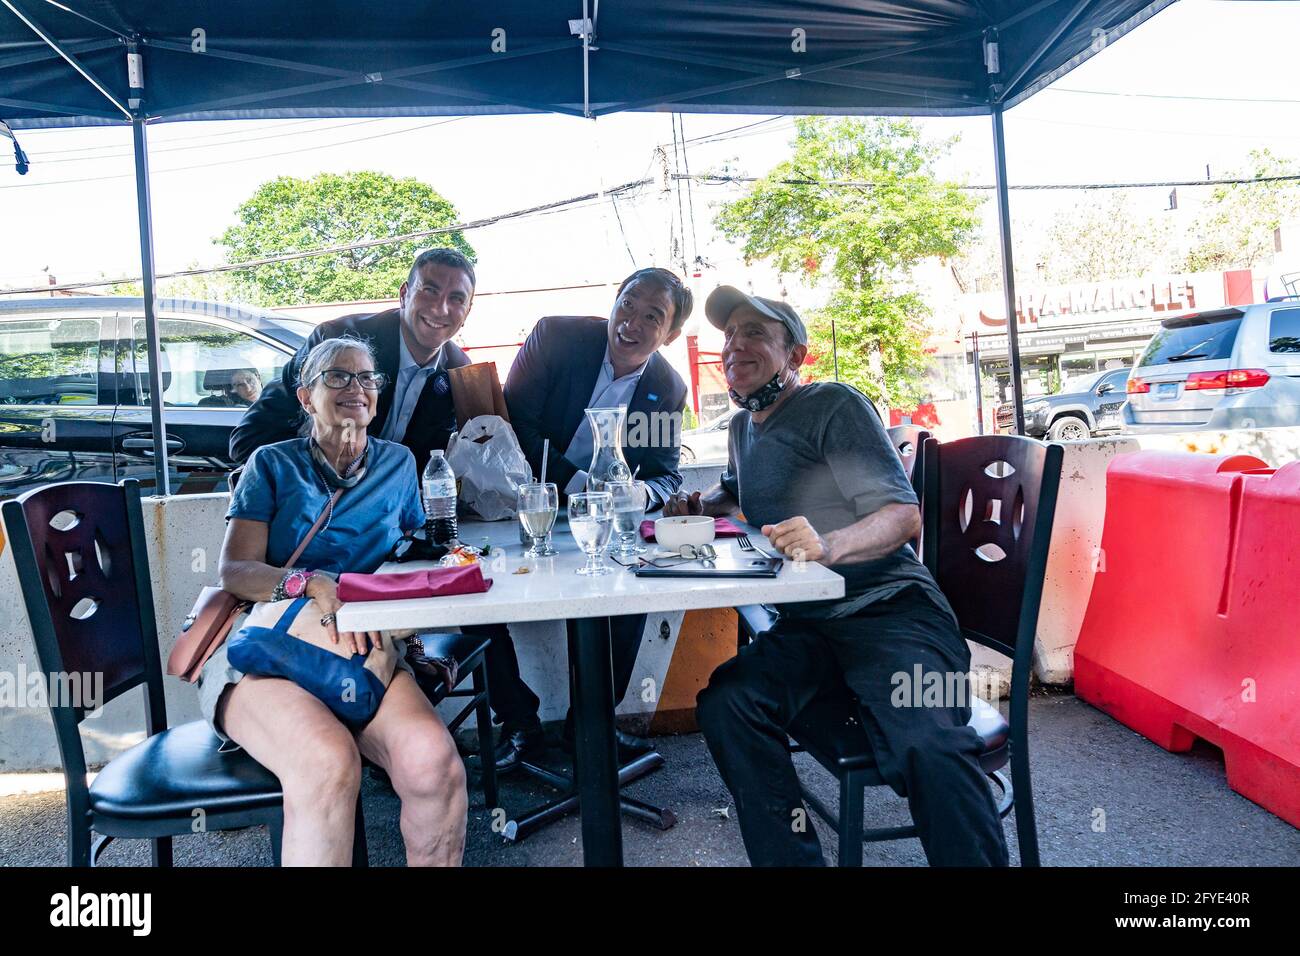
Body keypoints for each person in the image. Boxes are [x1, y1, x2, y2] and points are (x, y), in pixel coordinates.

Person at [665, 286, 1008, 867]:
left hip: (892, 613)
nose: (734, 347)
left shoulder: (832, 405)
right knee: (729, 703)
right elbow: (739, 485)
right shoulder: (743, 426)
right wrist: (703, 502)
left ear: (795, 356)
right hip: (812, 627)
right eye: (729, 336)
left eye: (754, 334)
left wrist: (828, 545)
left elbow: (903, 514)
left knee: (927, 742)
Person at [202, 336, 467, 866]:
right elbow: (235, 571)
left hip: (362, 650)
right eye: (338, 376)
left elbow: (410, 553)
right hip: (268, 652)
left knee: (432, 760)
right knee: (327, 761)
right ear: (305, 396)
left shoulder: (398, 464)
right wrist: (310, 582)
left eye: (367, 377)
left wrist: (451, 561)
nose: (356, 387)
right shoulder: (271, 464)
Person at [471, 267, 692, 774]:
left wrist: (638, 491)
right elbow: (515, 425)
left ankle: (589, 725)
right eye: (627, 305)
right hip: (520, 499)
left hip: (604, 524)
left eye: (651, 316)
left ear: (671, 333)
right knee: (475, 593)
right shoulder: (559, 338)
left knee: (637, 584)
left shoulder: (664, 386)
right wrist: (581, 487)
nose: (630, 323)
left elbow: (663, 474)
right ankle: (520, 723)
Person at [230, 247, 475, 474]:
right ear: (404, 294)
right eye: (429, 290)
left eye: (456, 298)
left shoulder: (462, 374)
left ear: (467, 312)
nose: (441, 308)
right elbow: (248, 440)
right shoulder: (336, 341)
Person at [198, 368, 263, 407]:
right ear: (233, 390)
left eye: (249, 380)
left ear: (258, 378)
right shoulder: (234, 409)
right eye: (240, 385)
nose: (248, 388)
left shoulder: (272, 401)